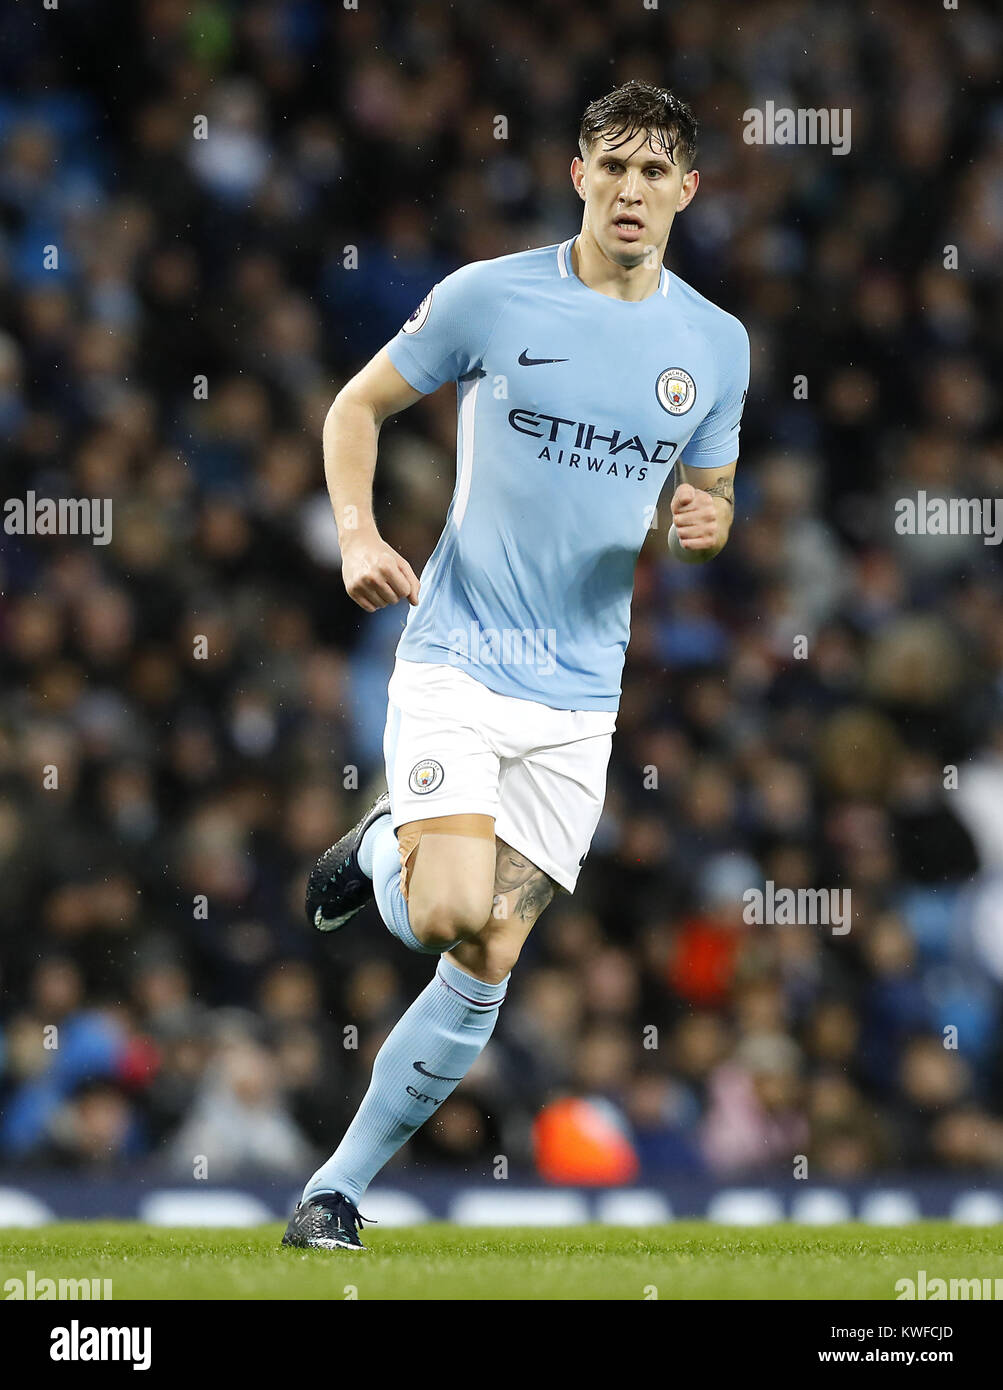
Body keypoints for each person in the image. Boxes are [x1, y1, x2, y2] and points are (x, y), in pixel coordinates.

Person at [282, 79, 749, 1250]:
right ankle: (387, 846)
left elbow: (712, 492)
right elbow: (356, 406)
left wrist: (708, 519)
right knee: (444, 911)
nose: (632, 190)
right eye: (613, 166)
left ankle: (333, 1194)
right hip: (461, 651)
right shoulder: (490, 297)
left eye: (655, 172)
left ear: (687, 190)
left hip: (582, 696)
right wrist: (354, 533)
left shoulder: (716, 344)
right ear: (576, 173)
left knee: (488, 955)